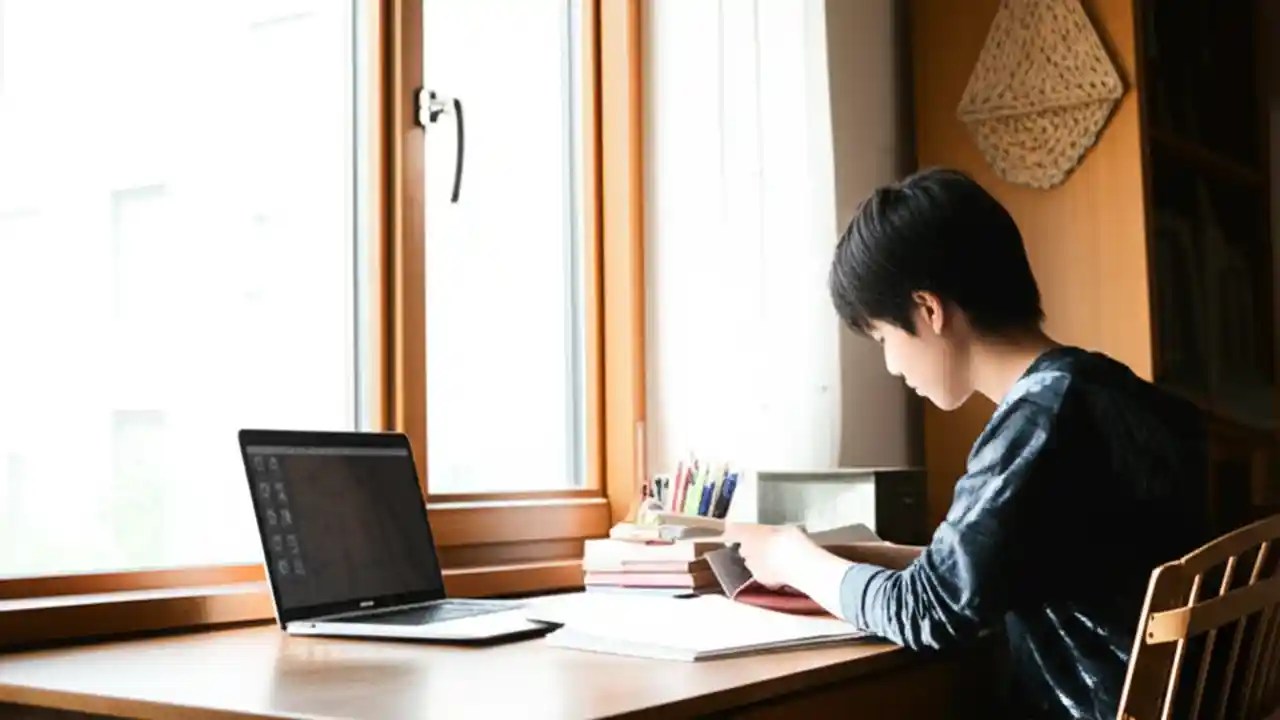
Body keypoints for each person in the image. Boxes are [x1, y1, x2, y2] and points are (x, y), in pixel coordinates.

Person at [727, 168, 1209, 720]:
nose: (889, 363)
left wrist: (794, 559)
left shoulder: (1040, 422)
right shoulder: (1117, 393)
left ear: (929, 311)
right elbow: (1016, 566)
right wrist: (858, 559)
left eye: (884, 336)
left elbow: (931, 610)